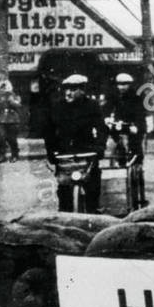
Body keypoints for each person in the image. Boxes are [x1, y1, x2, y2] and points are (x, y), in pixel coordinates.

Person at [44, 73, 102, 211]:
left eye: (73, 89)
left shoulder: (92, 106)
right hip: (65, 152)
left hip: (87, 150)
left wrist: (100, 146)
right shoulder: (58, 107)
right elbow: (49, 132)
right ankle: (64, 215)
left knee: (92, 183)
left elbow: (101, 128)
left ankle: (93, 212)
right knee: (63, 187)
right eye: (66, 89)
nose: (68, 93)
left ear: (82, 90)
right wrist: (51, 152)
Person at [0, 78, 23, 162]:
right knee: (1, 138)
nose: (4, 88)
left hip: (12, 119)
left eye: (5, 86)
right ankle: (2, 155)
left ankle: (14, 155)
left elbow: (19, 105)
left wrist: (12, 101)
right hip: (2, 119)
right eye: (3, 87)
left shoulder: (14, 95)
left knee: (12, 139)